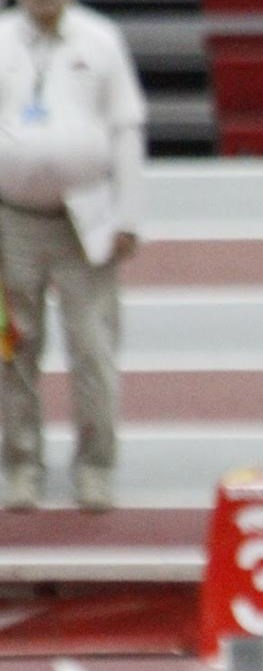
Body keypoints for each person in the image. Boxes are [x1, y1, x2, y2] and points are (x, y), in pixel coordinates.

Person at [0, 0, 146, 512]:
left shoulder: (99, 38)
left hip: (87, 215)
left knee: (93, 346)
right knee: (12, 347)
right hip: (11, 216)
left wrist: (128, 214)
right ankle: (20, 465)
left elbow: (126, 128)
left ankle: (96, 466)